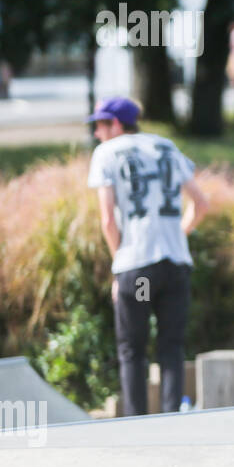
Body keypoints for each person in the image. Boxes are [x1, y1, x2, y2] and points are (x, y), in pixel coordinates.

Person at [87, 97, 208, 416]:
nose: (97, 134)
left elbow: (108, 221)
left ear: (115, 125)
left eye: (99, 126)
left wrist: (118, 267)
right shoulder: (166, 146)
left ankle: (137, 427)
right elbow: (201, 203)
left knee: (133, 350)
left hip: (137, 267)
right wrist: (178, 234)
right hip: (176, 265)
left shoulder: (106, 153)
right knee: (171, 349)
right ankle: (170, 423)